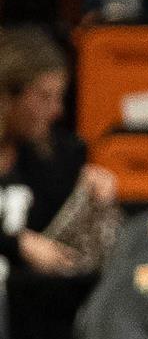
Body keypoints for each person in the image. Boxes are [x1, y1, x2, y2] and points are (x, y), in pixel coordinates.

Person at [0, 27, 117, 276]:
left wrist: (93, 188)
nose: (56, 111)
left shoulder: (57, 156)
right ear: (7, 96)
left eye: (58, 97)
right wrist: (16, 244)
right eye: (44, 97)